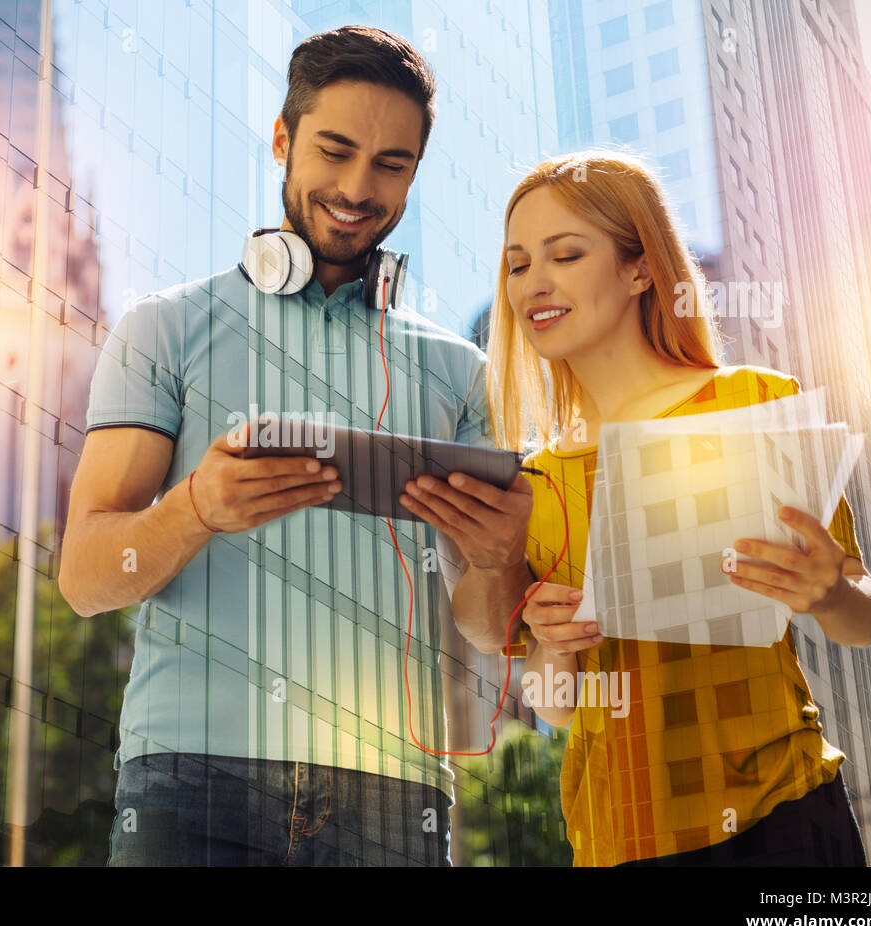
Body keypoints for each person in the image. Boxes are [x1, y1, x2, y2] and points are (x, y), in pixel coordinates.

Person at [59, 25, 524, 866]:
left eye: (391, 163)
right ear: (282, 139)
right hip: (191, 782)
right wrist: (195, 508)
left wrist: (496, 563)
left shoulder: (466, 374)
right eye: (334, 150)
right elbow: (87, 578)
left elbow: (489, 634)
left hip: (396, 794)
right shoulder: (163, 329)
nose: (357, 187)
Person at [410, 150, 871, 866]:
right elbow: (556, 706)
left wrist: (830, 590)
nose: (535, 283)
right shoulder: (534, 481)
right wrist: (554, 643)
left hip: (784, 820)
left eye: (565, 255)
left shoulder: (753, 402)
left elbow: (864, 620)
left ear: (640, 269)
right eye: (517, 264)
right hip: (617, 841)